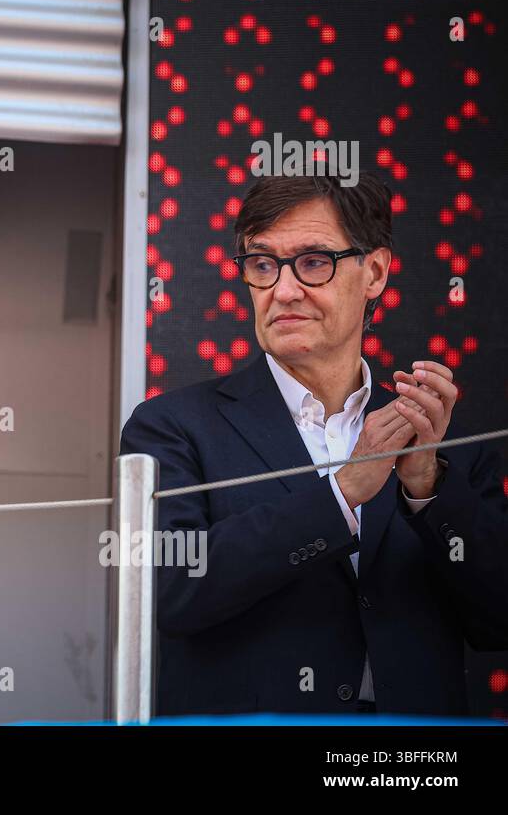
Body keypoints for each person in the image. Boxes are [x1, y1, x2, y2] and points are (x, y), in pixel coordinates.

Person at [119, 169, 508, 716]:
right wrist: (343, 493)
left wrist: (427, 488)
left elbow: (498, 622)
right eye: (262, 264)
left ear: (374, 271)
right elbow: (171, 593)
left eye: (313, 262)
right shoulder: (170, 426)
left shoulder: (444, 441)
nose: (283, 290)